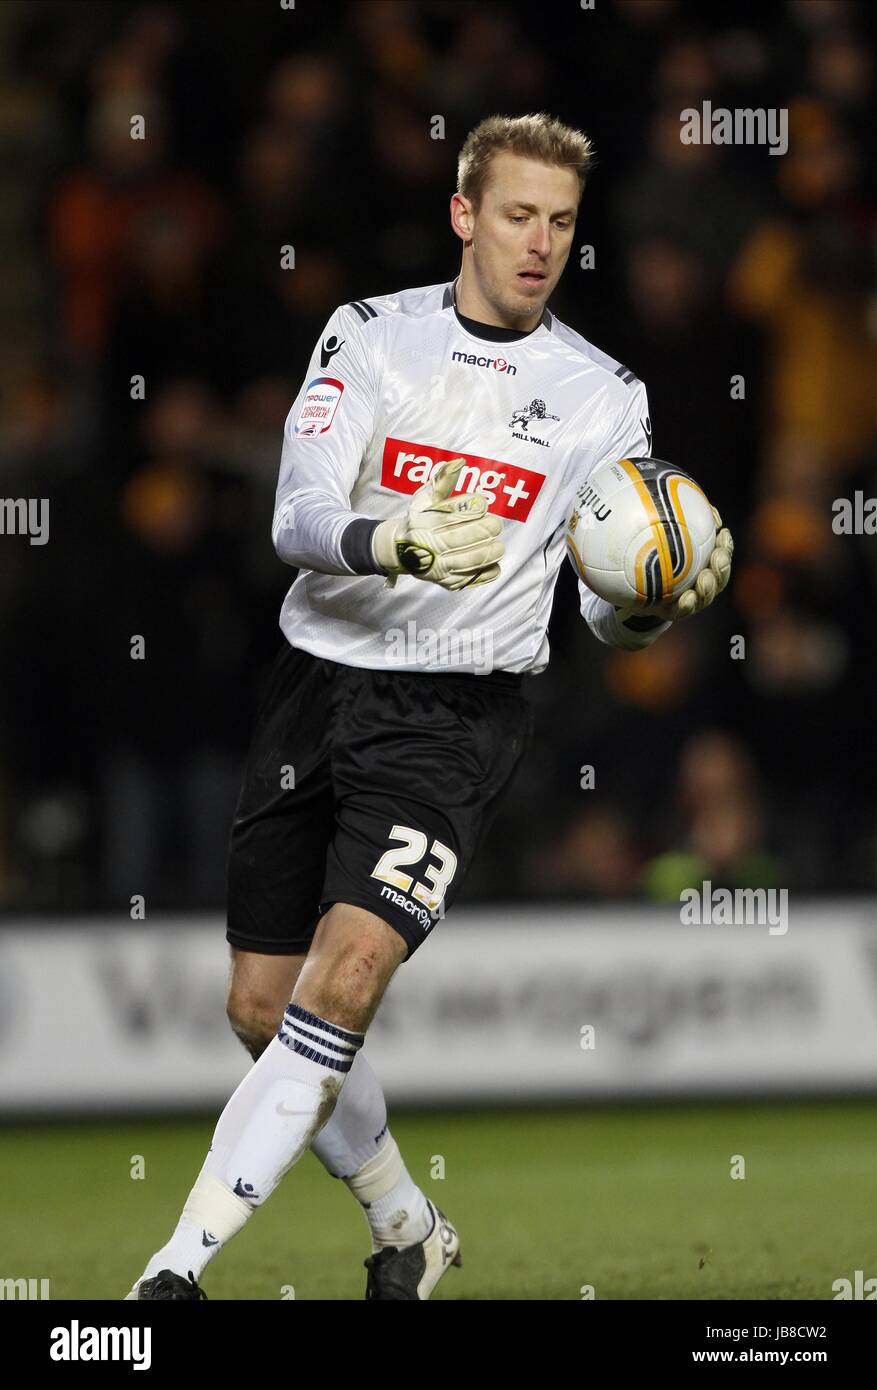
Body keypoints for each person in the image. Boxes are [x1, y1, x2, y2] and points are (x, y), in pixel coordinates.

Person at [127, 112, 732, 1301]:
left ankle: (171, 1274)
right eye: (516, 215)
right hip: (316, 686)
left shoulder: (604, 397)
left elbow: (601, 602)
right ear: (464, 214)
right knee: (262, 1005)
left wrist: (649, 606)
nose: (539, 243)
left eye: (560, 222)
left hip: (455, 717)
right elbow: (295, 517)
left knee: (343, 977)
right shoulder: (369, 338)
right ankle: (408, 1226)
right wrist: (387, 538)